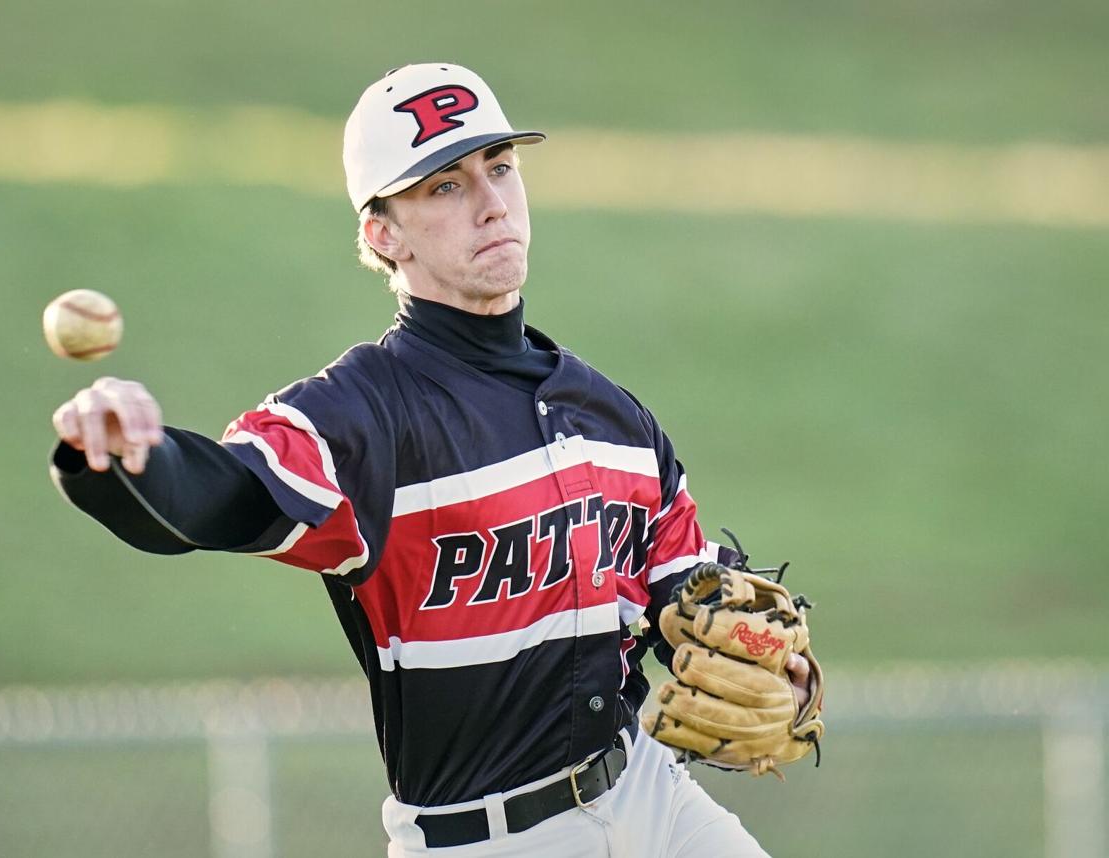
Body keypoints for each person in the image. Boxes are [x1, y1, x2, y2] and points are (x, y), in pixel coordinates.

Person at [50, 63, 810, 857]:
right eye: (445, 186)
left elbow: (681, 583)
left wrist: (773, 660)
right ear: (384, 232)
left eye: (501, 169)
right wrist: (132, 456)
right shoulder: (362, 416)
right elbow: (227, 494)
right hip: (483, 840)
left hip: (651, 796)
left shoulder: (610, 414)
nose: (490, 202)